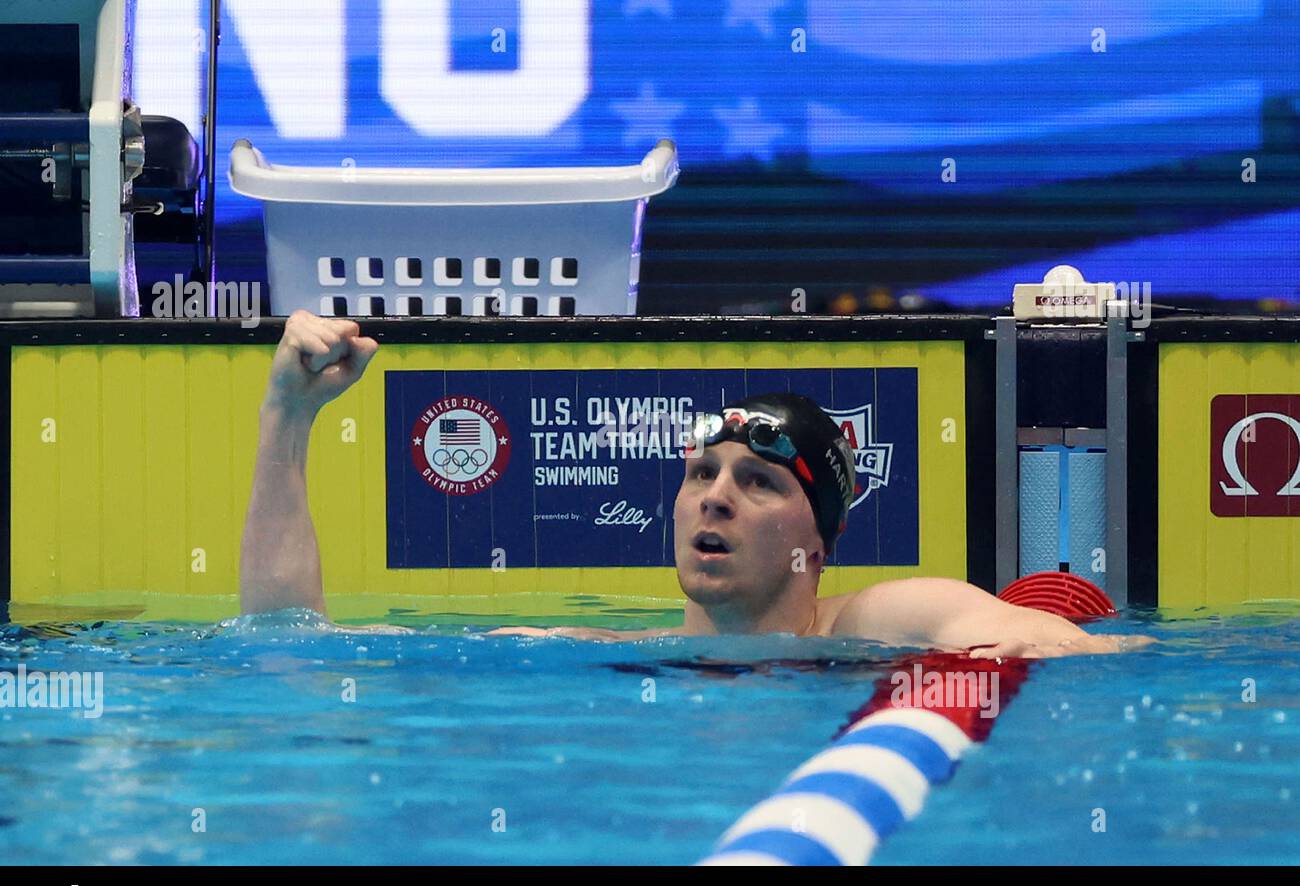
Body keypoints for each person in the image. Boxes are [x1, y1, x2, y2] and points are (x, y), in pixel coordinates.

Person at [241, 311, 1148, 658]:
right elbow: (286, 645)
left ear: (816, 543)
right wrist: (288, 415)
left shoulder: (875, 623)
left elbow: (1074, 651)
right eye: (702, 472)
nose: (713, 495)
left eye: (757, 481)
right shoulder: (579, 647)